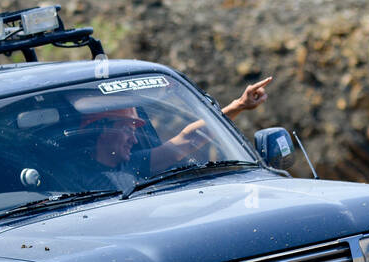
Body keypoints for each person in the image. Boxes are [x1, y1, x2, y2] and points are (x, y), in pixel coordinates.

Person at [79, 77, 275, 191]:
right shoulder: (74, 178)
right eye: (127, 129)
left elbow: (189, 138)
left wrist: (238, 105)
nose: (134, 139)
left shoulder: (133, 164)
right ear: (104, 129)